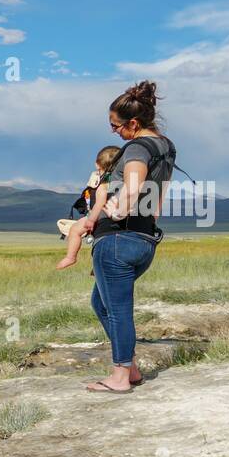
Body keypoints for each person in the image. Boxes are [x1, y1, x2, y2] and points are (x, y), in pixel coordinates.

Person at [71, 80, 176, 393]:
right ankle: (130, 370)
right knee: (101, 303)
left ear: (133, 123)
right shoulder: (166, 146)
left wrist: (117, 210)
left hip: (118, 240)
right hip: (144, 239)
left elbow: (133, 184)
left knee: (116, 309)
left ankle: (119, 377)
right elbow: (158, 194)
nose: (113, 131)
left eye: (115, 125)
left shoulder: (137, 148)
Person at [56, 145, 122, 269]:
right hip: (117, 216)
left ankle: (70, 257)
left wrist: (91, 219)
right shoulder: (121, 180)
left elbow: (100, 201)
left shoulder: (103, 183)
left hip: (98, 215)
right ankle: (97, 266)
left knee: (75, 230)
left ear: (97, 164)